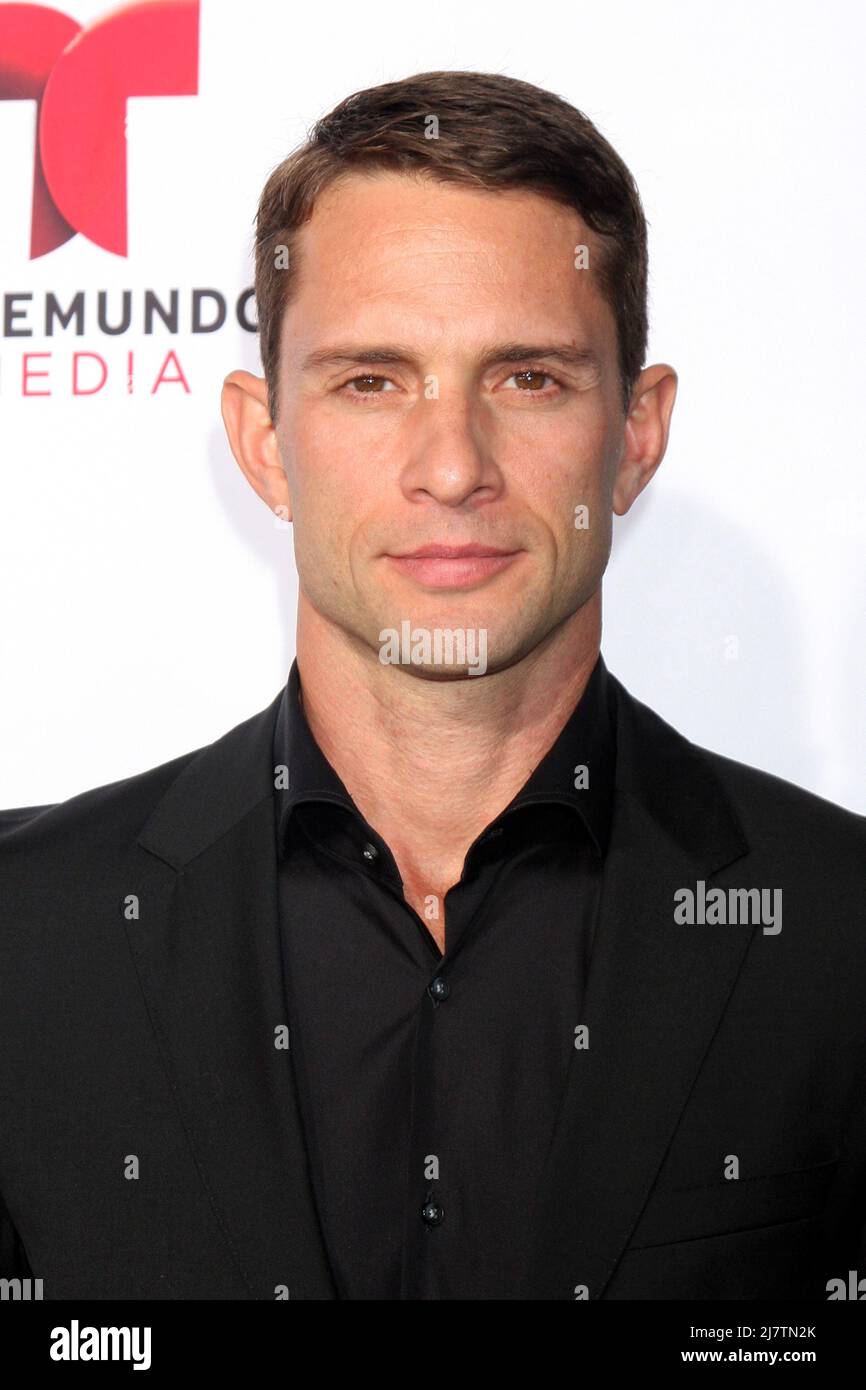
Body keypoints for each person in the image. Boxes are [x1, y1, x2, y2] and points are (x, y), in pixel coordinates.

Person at [1, 71, 864, 1301]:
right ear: (262, 443)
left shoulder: (834, 932)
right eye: (370, 380)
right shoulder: (27, 940)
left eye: (527, 378)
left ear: (634, 434)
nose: (451, 467)